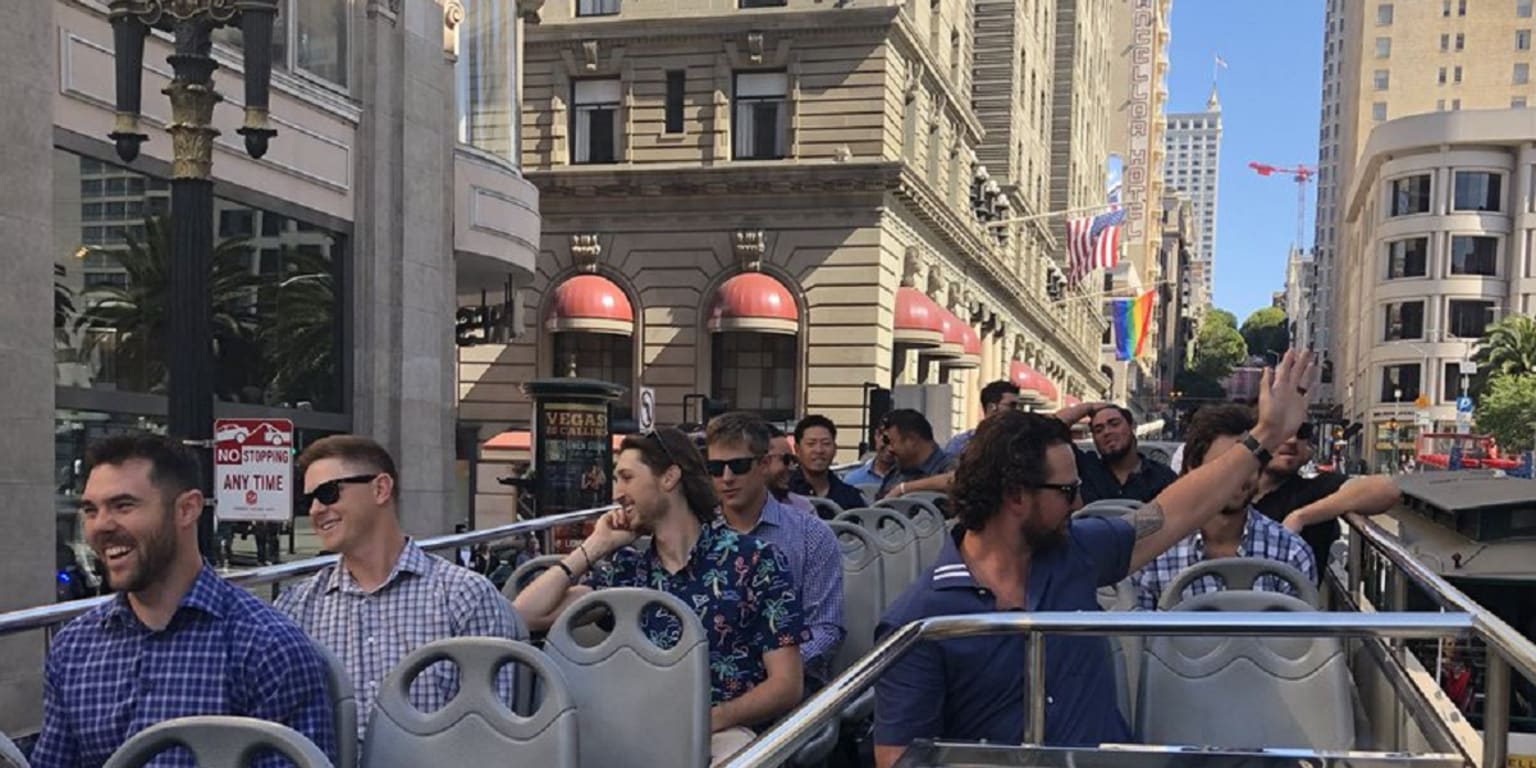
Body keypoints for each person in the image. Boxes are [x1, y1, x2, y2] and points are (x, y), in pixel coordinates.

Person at [871, 350, 1317, 763]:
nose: (1079, 500)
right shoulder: (920, 623)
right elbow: (898, 759)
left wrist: (1265, 435)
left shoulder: (1074, 551)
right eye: (1067, 491)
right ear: (1014, 496)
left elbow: (1171, 513)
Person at [33, 434, 335, 768]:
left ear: (187, 509)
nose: (101, 525)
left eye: (123, 506)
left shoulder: (267, 646)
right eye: (91, 510)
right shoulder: (73, 649)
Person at [513, 428, 808, 765]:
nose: (618, 493)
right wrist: (595, 546)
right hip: (635, 731)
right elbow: (525, 616)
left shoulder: (756, 561)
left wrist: (711, 719)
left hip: (723, 732)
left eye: (626, 477)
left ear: (669, 477)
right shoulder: (626, 572)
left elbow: (786, 684)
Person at [275, 436, 526, 742]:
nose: (315, 509)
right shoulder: (296, 608)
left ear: (380, 489)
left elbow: (493, 732)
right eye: (307, 500)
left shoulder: (465, 596)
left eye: (328, 493)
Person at [1130, 404, 1317, 610]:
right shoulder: (1153, 552)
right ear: (1194, 468)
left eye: (1247, 465)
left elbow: (1299, 641)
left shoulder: (1291, 552)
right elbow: (1138, 640)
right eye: (1224, 467)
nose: (1237, 478)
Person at [708, 413, 846, 687]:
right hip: (708, 688)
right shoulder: (698, 532)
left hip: (792, 689)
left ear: (763, 465)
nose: (726, 477)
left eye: (738, 466)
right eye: (715, 468)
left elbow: (826, 630)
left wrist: (768, 673)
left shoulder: (811, 534)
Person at [1253, 423, 1401, 580]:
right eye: (1279, 430)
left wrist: (1301, 517)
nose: (1292, 440)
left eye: (1302, 432)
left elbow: (1386, 489)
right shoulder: (1230, 493)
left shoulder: (1315, 490)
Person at [1054, 402, 1177, 504]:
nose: (1107, 432)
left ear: (1132, 427)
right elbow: (1048, 429)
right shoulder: (1084, 469)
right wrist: (1088, 407)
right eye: (1098, 429)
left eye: (1114, 424)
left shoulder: (1163, 477)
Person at [788, 415, 868, 511]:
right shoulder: (784, 493)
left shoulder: (850, 496)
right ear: (797, 449)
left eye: (826, 443)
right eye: (811, 444)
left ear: (835, 449)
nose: (819, 450)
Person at [876, 409, 957, 499]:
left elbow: (957, 480)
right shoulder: (895, 474)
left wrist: (904, 489)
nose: (890, 449)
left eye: (892, 442)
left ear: (912, 440)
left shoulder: (951, 465)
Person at [945, 380, 1022, 457]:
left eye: (1018, 405)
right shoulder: (962, 443)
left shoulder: (1021, 443)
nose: (1017, 410)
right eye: (1012, 405)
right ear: (992, 407)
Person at [764, 424, 817, 516]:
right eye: (786, 459)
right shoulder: (734, 511)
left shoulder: (803, 510)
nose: (792, 468)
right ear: (762, 460)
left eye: (794, 460)